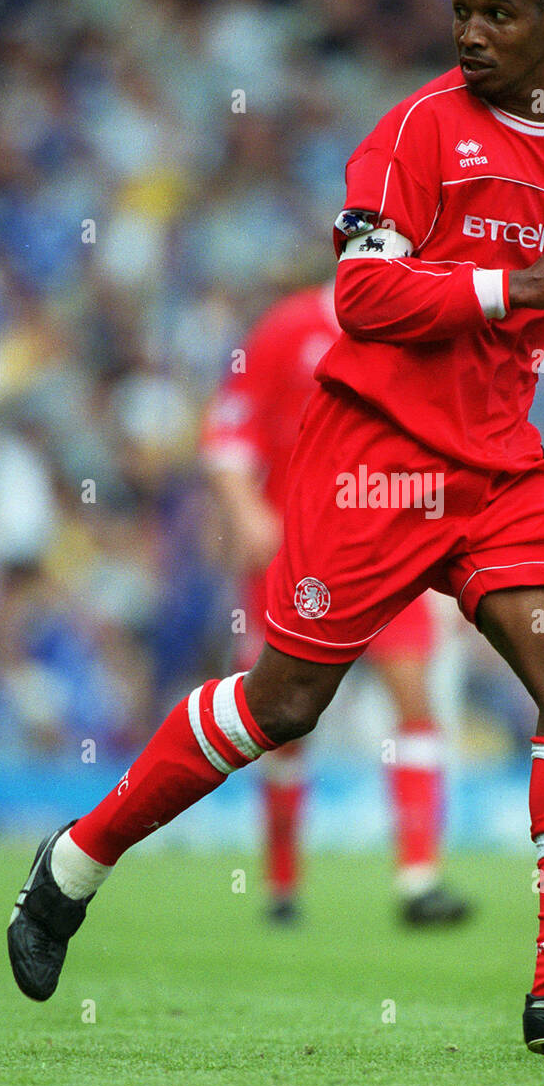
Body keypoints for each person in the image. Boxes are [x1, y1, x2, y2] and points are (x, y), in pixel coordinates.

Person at [8, 0, 544, 1061]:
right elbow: (366, 293)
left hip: (497, 468)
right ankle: (74, 861)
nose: (470, 33)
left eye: (496, 15)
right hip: (372, 461)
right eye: (458, 11)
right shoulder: (414, 130)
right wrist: (506, 285)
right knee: (283, 707)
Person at [200, 281, 471, 925]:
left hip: (389, 551)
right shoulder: (289, 326)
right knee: (283, 718)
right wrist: (245, 511)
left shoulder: (422, 328)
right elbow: (230, 429)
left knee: (414, 697)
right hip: (295, 553)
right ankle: (282, 885)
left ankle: (419, 880)